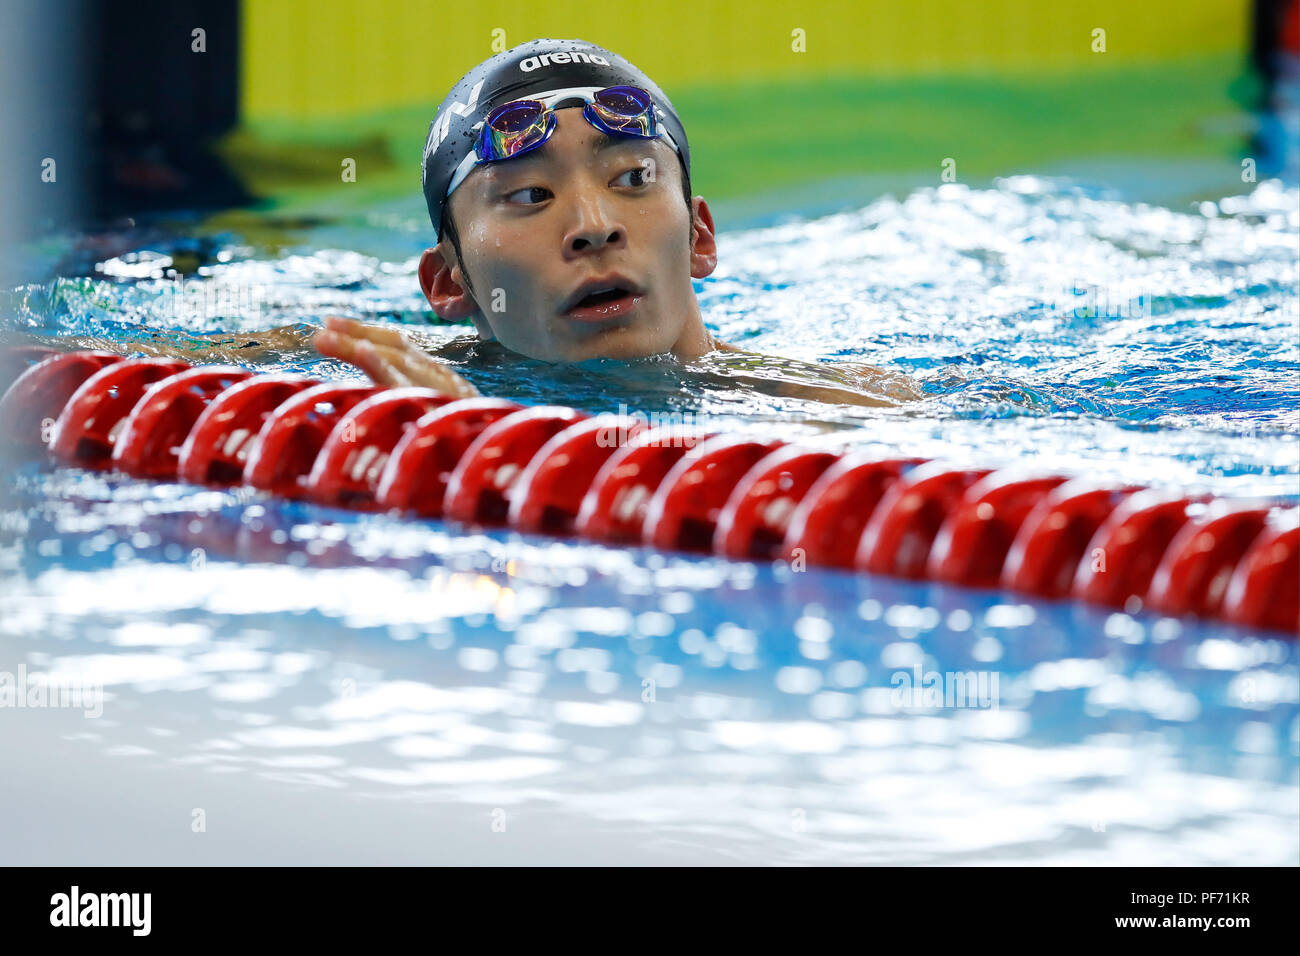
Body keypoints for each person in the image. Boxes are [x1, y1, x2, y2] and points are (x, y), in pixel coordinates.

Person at [42, 39, 922, 408]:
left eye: (631, 179)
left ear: (699, 238)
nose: (591, 226)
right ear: (448, 284)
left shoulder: (840, 408)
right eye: (528, 198)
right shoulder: (381, 369)